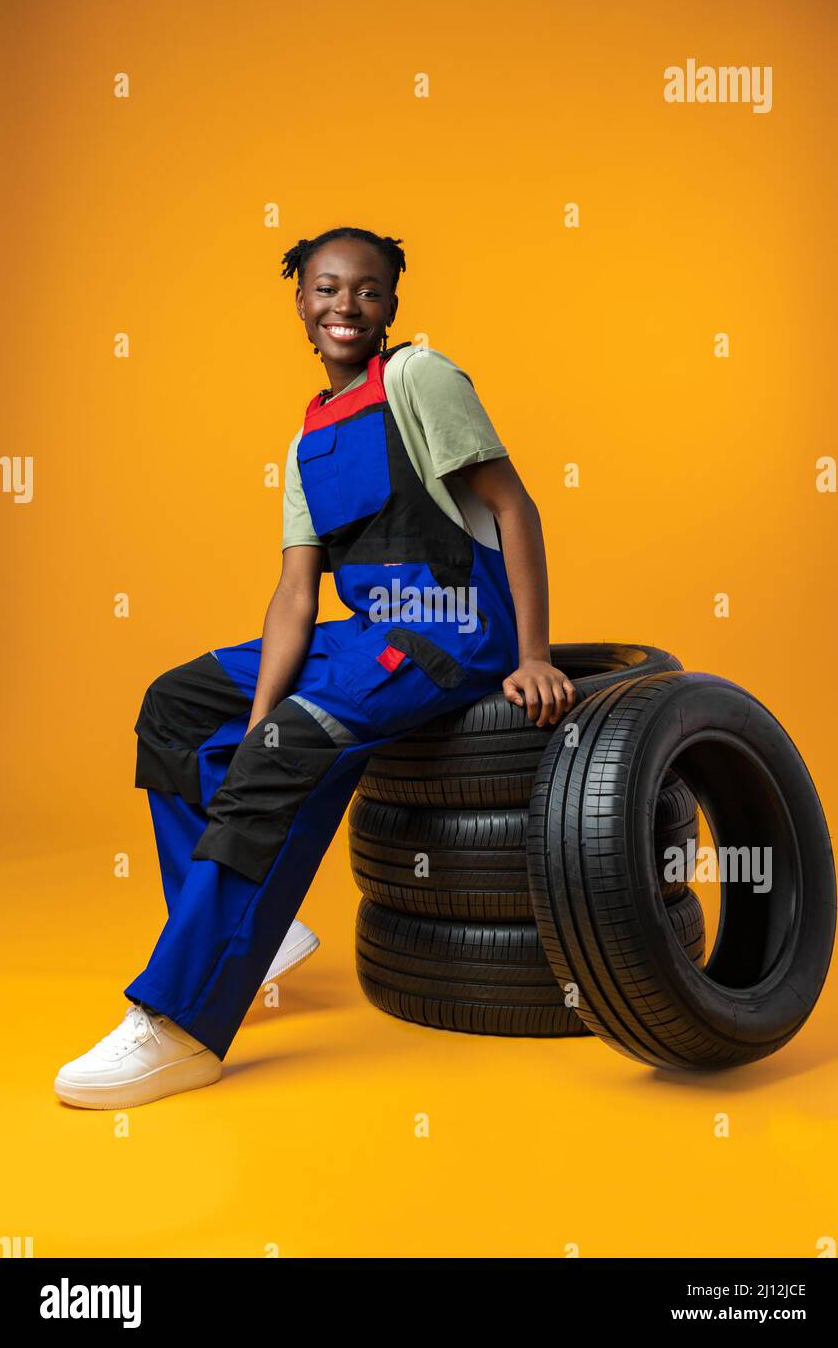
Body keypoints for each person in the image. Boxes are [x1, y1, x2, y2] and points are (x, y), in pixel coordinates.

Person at [54, 227, 576, 1109]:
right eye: (327, 289)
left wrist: (531, 655)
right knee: (178, 708)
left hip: (451, 629)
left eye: (367, 292)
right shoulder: (307, 441)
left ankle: (182, 1025)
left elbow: (511, 504)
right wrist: (256, 713)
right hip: (368, 632)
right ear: (300, 302)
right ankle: (251, 934)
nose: (346, 306)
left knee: (289, 747)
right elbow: (297, 596)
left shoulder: (419, 378)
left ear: (391, 307)